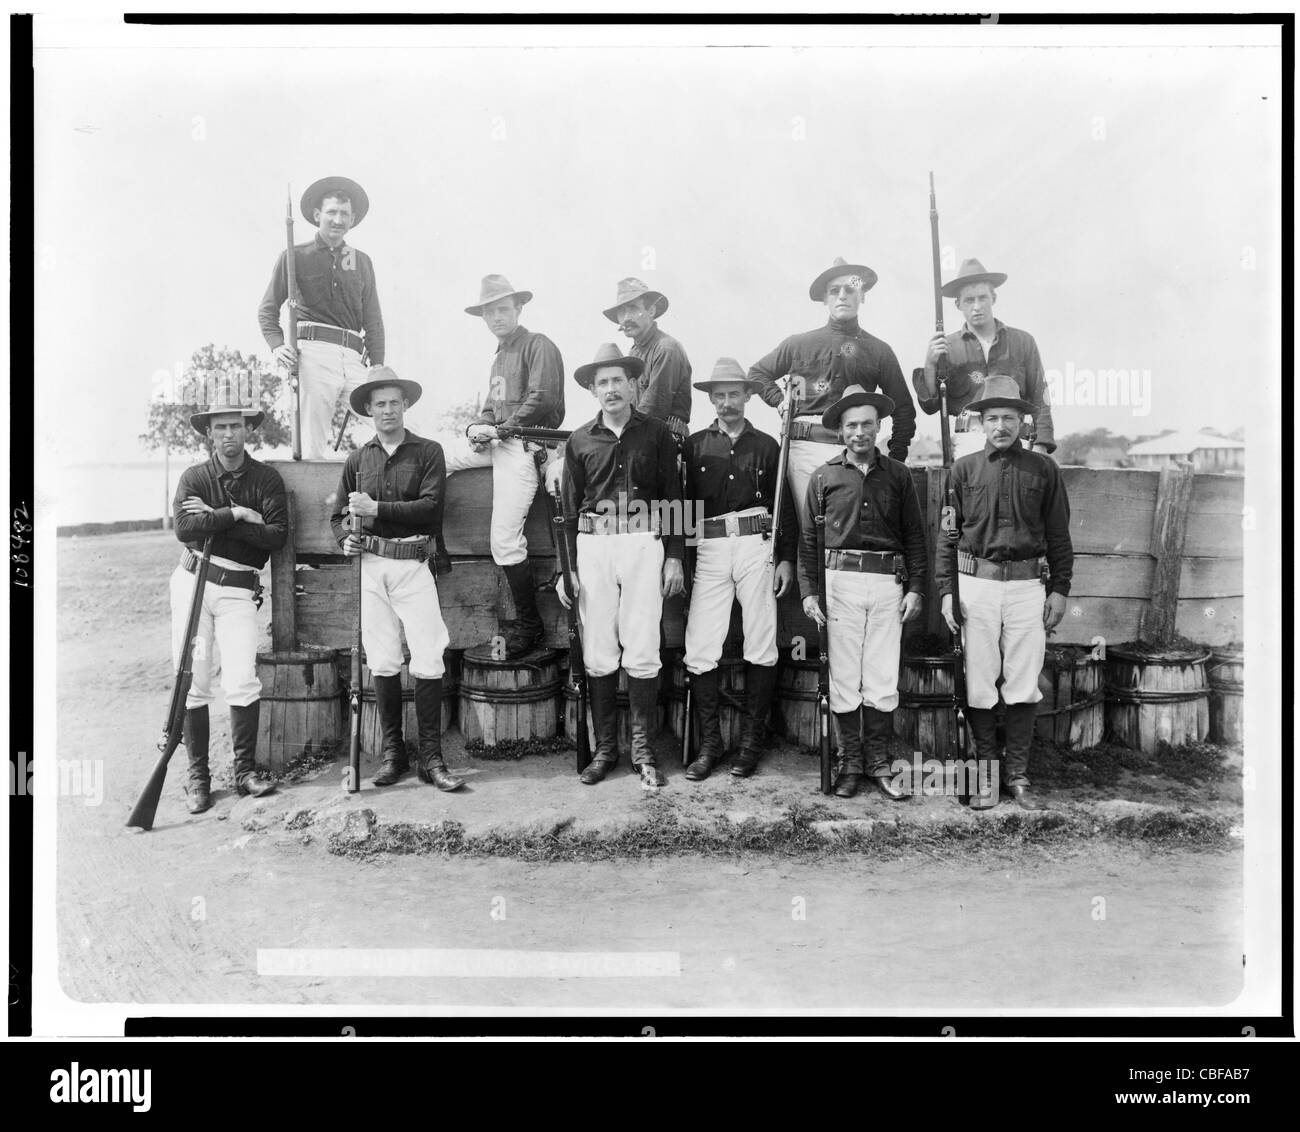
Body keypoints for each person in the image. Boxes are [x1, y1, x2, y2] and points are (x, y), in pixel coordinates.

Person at [935, 375, 1073, 810]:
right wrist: (945, 592)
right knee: (978, 682)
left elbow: (1059, 536)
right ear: (980, 422)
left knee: (1022, 681)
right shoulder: (963, 470)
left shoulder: (1044, 470)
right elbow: (946, 537)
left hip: (1028, 587)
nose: (1000, 426)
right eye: (992, 417)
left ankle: (1018, 776)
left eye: (1009, 417)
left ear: (1023, 421)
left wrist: (1060, 590)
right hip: (976, 585)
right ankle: (988, 776)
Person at [328, 367, 463, 792]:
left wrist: (376, 509)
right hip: (370, 567)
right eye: (379, 403)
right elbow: (338, 517)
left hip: (413, 562)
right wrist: (343, 540)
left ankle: (431, 757)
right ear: (368, 409)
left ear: (406, 405)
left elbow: (431, 509)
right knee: (383, 658)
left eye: (394, 402)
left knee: (428, 654)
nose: (387, 410)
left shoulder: (428, 452)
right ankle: (393, 754)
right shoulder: (357, 459)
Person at [559, 343, 685, 788]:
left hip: (643, 545)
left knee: (643, 644)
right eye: (602, 382)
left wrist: (674, 555)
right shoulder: (579, 440)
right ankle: (605, 749)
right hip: (594, 548)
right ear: (593, 390)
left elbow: (674, 498)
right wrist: (567, 568)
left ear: (633, 386)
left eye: (618, 381)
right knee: (597, 648)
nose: (611, 389)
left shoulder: (656, 434)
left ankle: (643, 750)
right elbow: (569, 513)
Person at [798, 385, 927, 799]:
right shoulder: (823, 477)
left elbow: (916, 538)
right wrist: (810, 593)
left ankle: (879, 764)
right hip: (840, 585)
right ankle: (850, 763)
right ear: (840, 430)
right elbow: (807, 544)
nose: (859, 433)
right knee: (844, 676)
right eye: (851, 425)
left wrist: (917, 589)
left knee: (882, 674)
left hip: (888, 584)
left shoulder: (899, 475)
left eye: (867, 424)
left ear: (879, 427)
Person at [171, 384, 289, 812]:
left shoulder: (266, 479)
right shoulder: (195, 477)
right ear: (209, 433)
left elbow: (275, 537)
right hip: (194, 584)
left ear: (246, 430)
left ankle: (244, 773)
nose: (228, 434)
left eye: (235, 426)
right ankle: (198, 776)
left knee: (241, 676)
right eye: (220, 427)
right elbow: (185, 529)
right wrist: (238, 514)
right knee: (195, 677)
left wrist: (214, 521)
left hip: (240, 588)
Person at [680, 358, 796, 781]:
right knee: (700, 644)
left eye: (734, 394)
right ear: (710, 399)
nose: (727, 402)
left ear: (748, 396)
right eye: (719, 395)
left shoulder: (767, 445)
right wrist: (682, 558)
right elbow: (683, 507)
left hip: (756, 545)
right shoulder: (693, 446)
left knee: (761, 641)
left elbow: (786, 506)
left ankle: (750, 745)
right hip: (709, 547)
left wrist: (786, 557)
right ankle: (710, 745)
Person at [440, 274, 565, 658]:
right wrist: (478, 427)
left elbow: (542, 400)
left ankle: (530, 625)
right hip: (499, 442)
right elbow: (490, 410)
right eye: (489, 311)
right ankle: (433, 542)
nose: (496, 316)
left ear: (518, 308)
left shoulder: (537, 344)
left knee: (505, 540)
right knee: (434, 456)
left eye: (502, 309)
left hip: (526, 444)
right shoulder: (499, 356)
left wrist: (501, 430)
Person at [749, 256, 916, 534]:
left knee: (848, 532)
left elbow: (903, 409)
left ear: (862, 296)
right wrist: (780, 401)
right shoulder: (798, 344)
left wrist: (894, 458)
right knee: (809, 534)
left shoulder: (879, 350)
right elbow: (757, 374)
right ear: (825, 299)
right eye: (834, 290)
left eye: (850, 289)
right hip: (805, 451)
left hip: (857, 450)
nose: (842, 296)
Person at [257, 175, 385, 459]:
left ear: (352, 219)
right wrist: (278, 345)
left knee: (392, 420)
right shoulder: (294, 256)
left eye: (344, 214)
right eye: (332, 212)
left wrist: (377, 365)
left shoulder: (361, 261)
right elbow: (267, 310)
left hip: (354, 358)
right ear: (317, 215)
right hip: (312, 355)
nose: (338, 220)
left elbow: (373, 319)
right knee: (311, 445)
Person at [914, 257, 1056, 459]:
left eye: (983, 298)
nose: (977, 306)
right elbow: (930, 407)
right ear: (958, 304)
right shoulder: (947, 347)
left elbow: (1040, 395)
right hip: (968, 442)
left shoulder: (1023, 341)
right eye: (969, 300)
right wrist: (929, 364)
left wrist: (1041, 444)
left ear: (994, 298)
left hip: (1018, 437)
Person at [603, 277, 693, 444]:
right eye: (621, 312)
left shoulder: (666, 348)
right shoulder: (635, 352)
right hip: (640, 433)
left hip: (666, 438)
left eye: (633, 309)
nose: (625, 318)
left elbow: (654, 408)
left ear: (651, 311)